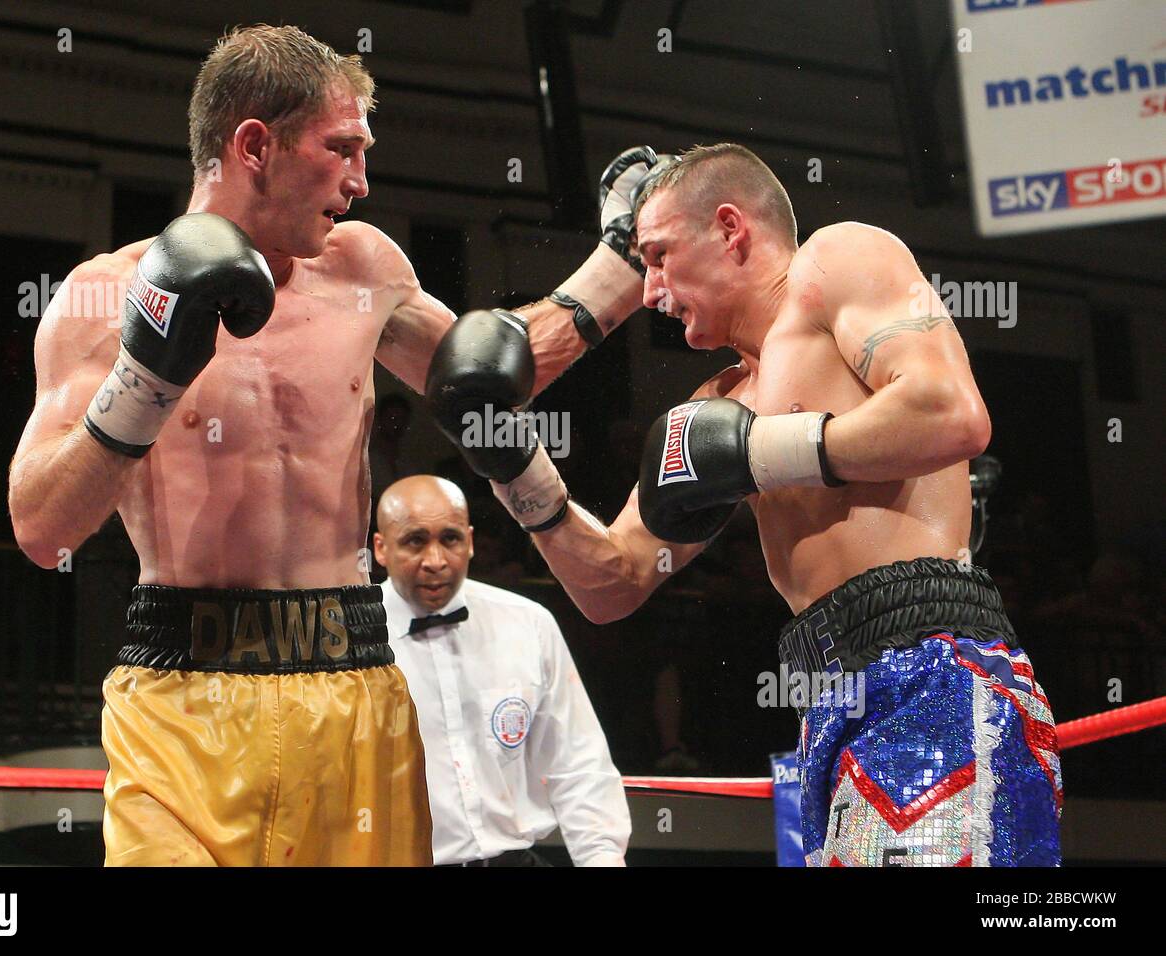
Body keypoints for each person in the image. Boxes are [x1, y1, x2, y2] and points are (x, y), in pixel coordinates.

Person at [8, 24, 663, 866]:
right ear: (254, 145)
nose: (360, 180)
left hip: (354, 683)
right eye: (341, 149)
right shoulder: (105, 295)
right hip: (182, 695)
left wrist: (619, 259)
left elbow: (486, 376)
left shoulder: (363, 268)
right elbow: (40, 527)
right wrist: (147, 376)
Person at [431, 143, 1062, 866]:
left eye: (661, 255)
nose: (649, 290)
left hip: (935, 671)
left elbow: (952, 414)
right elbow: (614, 582)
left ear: (731, 230)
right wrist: (517, 469)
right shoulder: (714, 404)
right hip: (826, 701)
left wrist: (761, 452)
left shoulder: (839, 261)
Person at [374, 475, 629, 866]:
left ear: (470, 540)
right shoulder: (349, 641)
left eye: (450, 539)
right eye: (414, 541)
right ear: (380, 548)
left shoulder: (527, 624)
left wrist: (603, 860)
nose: (436, 561)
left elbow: (577, 762)